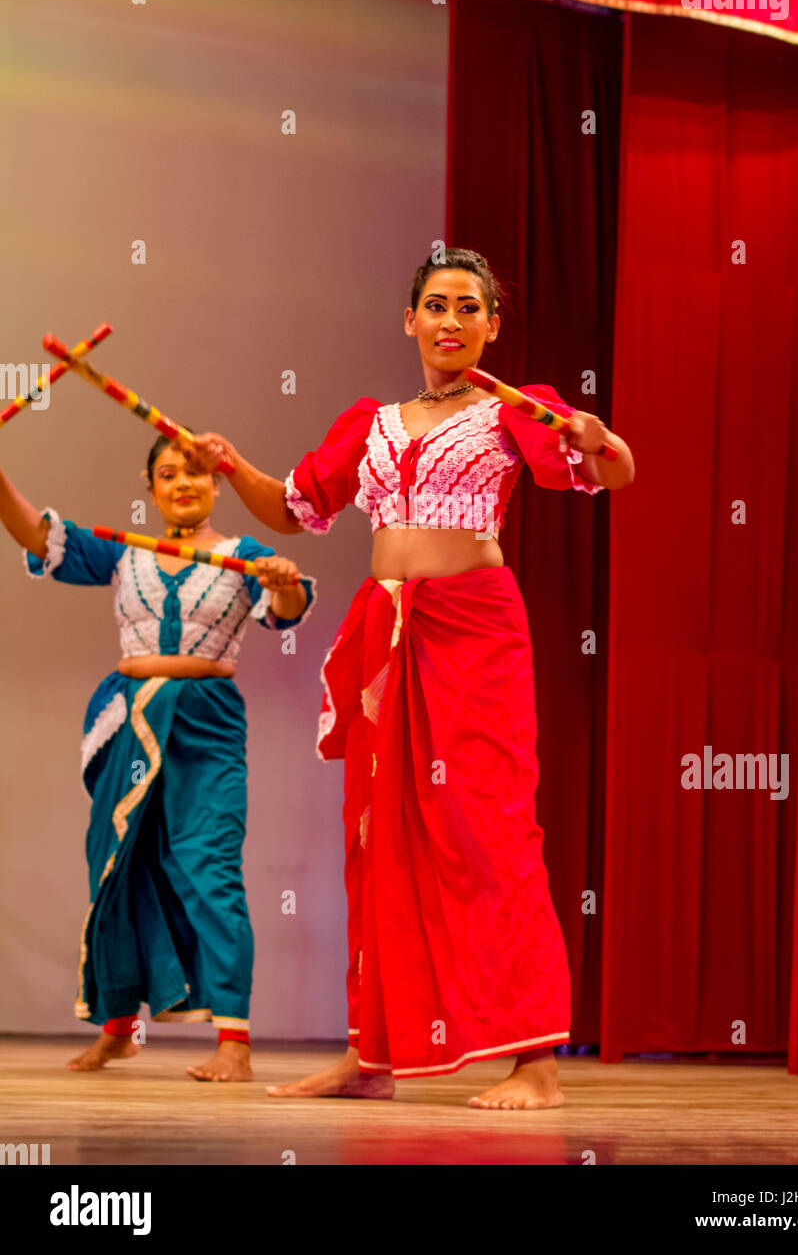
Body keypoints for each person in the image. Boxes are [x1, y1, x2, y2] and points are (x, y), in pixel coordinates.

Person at [183, 248, 635, 1108]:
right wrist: (234, 466)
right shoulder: (371, 422)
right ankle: (375, 1053)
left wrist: (597, 438)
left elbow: (613, 473)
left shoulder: (518, 408)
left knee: (490, 828)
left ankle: (536, 1063)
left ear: (493, 324)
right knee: (376, 838)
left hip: (473, 630)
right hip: (387, 636)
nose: (452, 321)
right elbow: (297, 506)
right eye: (436, 305)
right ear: (410, 320)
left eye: (470, 307)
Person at [0, 435, 315, 1081]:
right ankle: (119, 1028)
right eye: (167, 475)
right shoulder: (127, 549)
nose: (182, 485)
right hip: (128, 716)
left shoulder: (241, 555)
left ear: (216, 485)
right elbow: (38, 536)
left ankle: (234, 1044)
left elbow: (288, 610)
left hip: (206, 724)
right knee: (116, 865)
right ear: (149, 490)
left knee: (210, 868)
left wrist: (284, 584)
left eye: (196, 474)